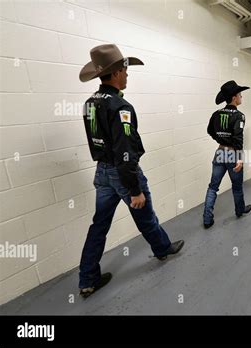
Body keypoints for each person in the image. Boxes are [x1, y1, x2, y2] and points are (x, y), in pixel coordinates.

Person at [78, 44, 184, 298]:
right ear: (115, 73)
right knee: (145, 216)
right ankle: (162, 249)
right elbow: (125, 152)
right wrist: (134, 189)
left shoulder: (89, 103)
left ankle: (87, 279)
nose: (127, 74)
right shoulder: (120, 106)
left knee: (98, 226)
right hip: (123, 173)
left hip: (102, 172)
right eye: (125, 70)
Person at [203, 80, 251, 229]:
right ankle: (240, 210)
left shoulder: (216, 114)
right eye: (240, 95)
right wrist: (239, 159)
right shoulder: (239, 116)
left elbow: (210, 131)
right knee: (237, 186)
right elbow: (238, 138)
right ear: (233, 98)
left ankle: (207, 219)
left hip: (219, 152)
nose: (241, 97)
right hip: (232, 154)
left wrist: (220, 139)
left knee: (213, 187)